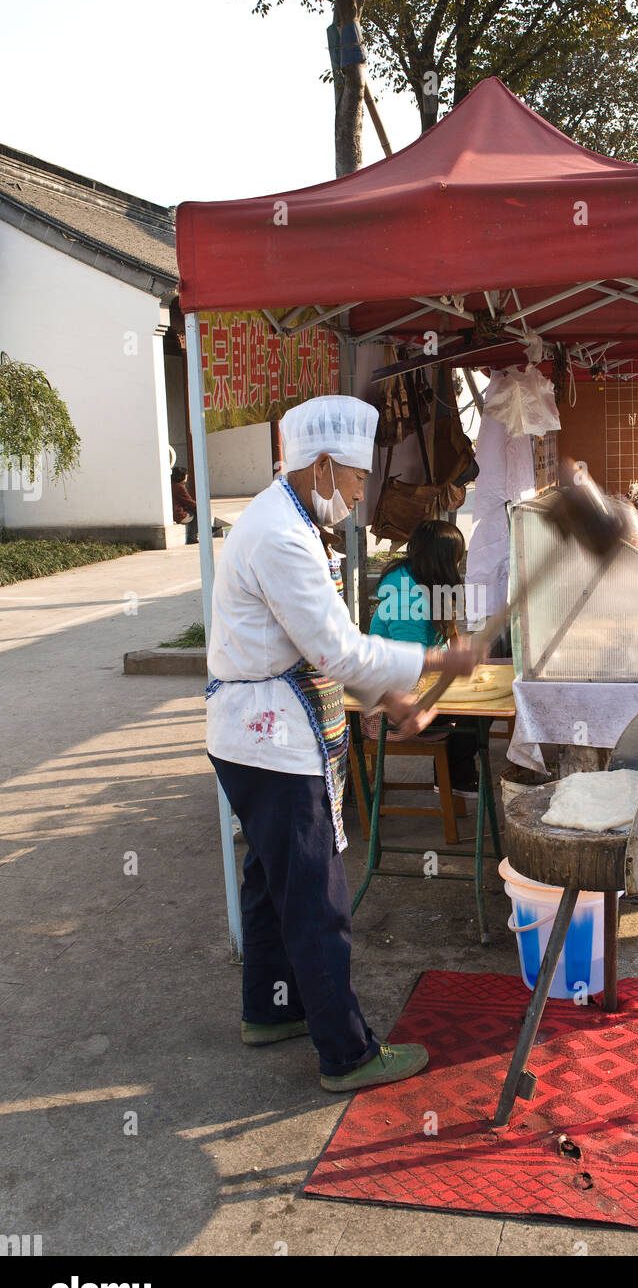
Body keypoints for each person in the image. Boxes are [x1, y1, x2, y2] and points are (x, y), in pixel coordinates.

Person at [205, 395, 483, 1093]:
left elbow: (323, 651)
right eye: (357, 482)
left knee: (271, 884)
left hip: (261, 727)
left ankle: (272, 1010)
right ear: (322, 466)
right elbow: (336, 648)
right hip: (269, 737)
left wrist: (392, 698)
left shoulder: (286, 518)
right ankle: (345, 1053)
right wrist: (430, 666)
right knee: (314, 899)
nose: (360, 499)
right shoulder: (279, 535)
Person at [370, 518, 479, 796]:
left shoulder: (426, 583)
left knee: (485, 702)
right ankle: (454, 778)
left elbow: (447, 638)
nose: (458, 566)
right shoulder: (407, 599)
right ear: (442, 560)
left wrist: (458, 651)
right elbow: (413, 663)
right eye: (456, 559)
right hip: (394, 707)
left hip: (420, 688)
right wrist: (451, 664)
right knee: (477, 713)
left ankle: (453, 774)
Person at [171, 466, 198, 544]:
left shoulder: (172, 485)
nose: (187, 476)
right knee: (197, 514)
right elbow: (188, 502)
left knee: (193, 510)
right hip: (178, 515)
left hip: (173, 513)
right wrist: (200, 509)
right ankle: (192, 537)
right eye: (186, 474)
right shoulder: (179, 487)